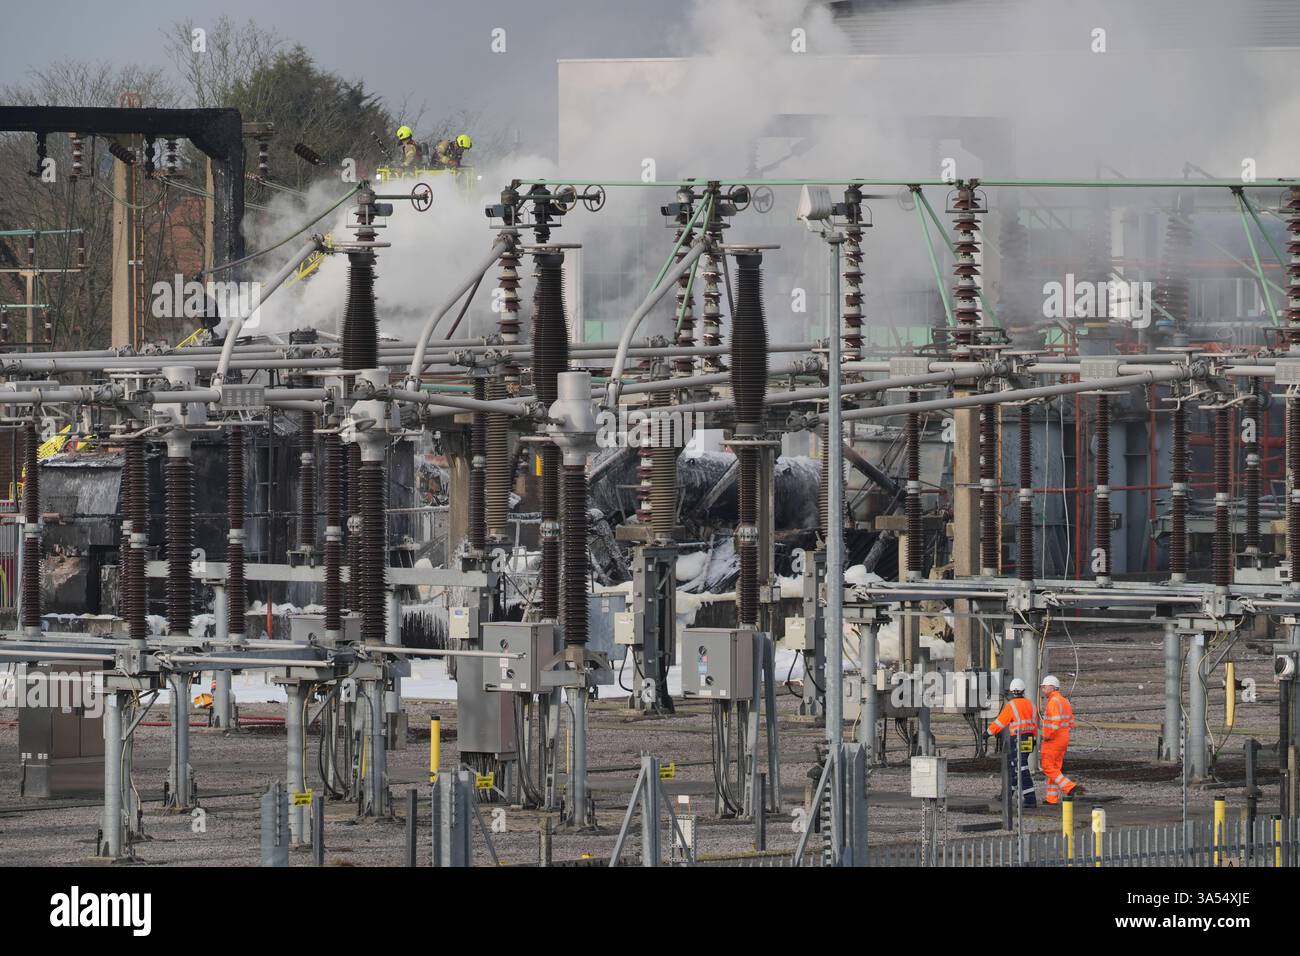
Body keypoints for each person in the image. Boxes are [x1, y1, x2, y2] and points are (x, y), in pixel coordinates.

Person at [986, 677, 1037, 807]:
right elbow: (1035, 724)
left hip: (1019, 739)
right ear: (1023, 690)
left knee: (1021, 767)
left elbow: (1000, 722)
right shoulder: (1031, 704)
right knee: (1017, 767)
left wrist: (987, 733)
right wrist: (1035, 738)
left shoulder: (1011, 706)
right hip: (1030, 739)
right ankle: (1007, 794)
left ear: (1012, 691)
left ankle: (1030, 799)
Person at [1040, 675, 1084, 804]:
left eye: (1044, 686)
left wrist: (1047, 735)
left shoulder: (1053, 702)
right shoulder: (1064, 701)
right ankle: (1051, 798)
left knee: (1047, 766)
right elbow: (1071, 722)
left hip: (1053, 740)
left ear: (1052, 687)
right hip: (1063, 738)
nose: (1042, 688)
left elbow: (1055, 723)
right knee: (1055, 769)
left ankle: (1069, 787)